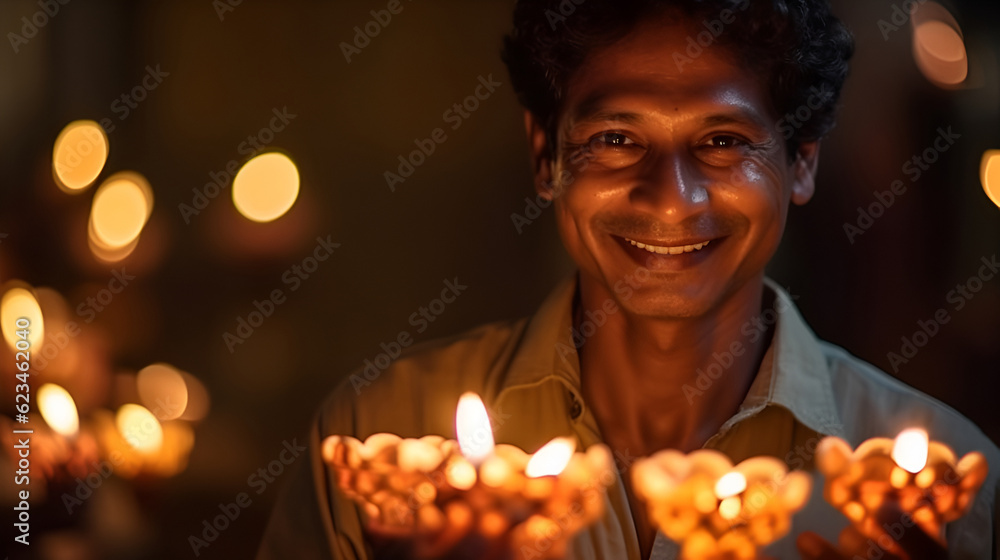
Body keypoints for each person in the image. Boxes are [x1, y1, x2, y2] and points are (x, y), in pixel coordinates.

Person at [257, 1, 1000, 558]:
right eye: (616, 139)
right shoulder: (377, 447)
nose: (672, 197)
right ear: (545, 155)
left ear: (801, 161)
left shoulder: (953, 492)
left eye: (722, 141)